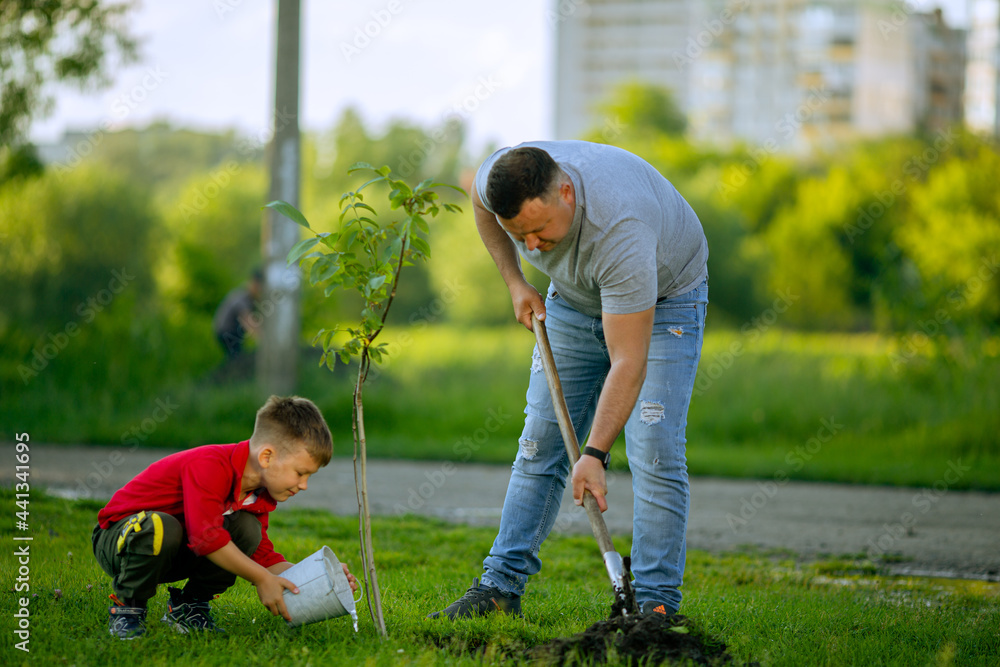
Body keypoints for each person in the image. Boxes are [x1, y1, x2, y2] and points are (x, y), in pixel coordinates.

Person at [429, 141, 708, 620]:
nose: (532, 245)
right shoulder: (500, 179)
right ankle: (499, 588)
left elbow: (628, 362)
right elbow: (479, 202)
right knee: (538, 443)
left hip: (664, 302)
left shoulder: (621, 227)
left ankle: (656, 606)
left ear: (567, 193)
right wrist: (515, 281)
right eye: (520, 235)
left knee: (654, 447)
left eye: (539, 230)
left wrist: (594, 455)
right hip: (573, 302)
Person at [92, 395, 358, 639]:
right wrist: (261, 579)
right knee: (164, 526)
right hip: (120, 541)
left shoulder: (258, 495)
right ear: (266, 456)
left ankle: (189, 608)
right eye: (300, 473)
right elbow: (206, 538)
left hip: (172, 550)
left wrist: (323, 577)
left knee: (247, 529)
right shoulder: (210, 465)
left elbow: (263, 557)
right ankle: (128, 608)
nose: (304, 485)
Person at [213, 268, 263, 359]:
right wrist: (263, 339)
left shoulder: (249, 298)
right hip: (227, 332)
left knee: (236, 356)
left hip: (232, 333)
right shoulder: (242, 297)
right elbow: (248, 322)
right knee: (236, 358)